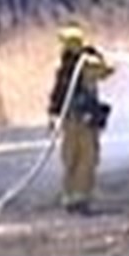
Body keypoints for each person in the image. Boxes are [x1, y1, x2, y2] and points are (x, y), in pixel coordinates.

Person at [48, 24, 114, 215]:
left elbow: (56, 95)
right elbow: (108, 71)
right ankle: (79, 197)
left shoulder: (68, 66)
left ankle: (70, 196)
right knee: (87, 159)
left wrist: (53, 115)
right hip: (83, 122)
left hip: (70, 121)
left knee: (71, 159)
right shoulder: (86, 64)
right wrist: (97, 56)